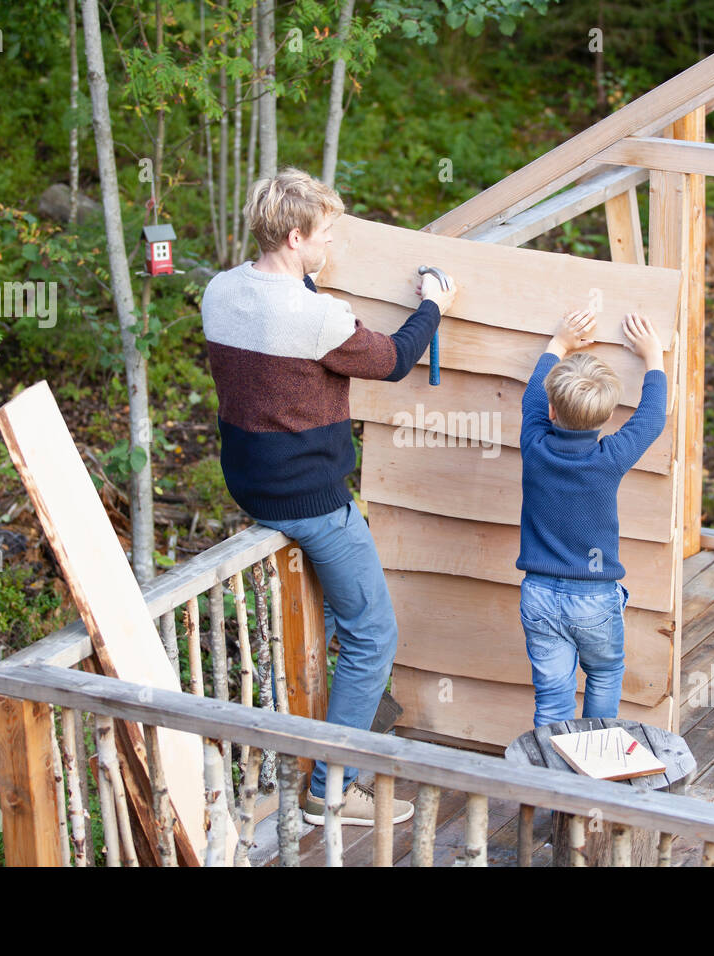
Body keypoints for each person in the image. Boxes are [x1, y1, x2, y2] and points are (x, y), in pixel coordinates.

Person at [201, 166, 457, 825]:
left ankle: (337, 738)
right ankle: (331, 790)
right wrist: (433, 304)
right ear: (294, 237)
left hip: (249, 483)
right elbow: (396, 359)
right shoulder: (316, 318)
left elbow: (287, 310)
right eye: (326, 234)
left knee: (348, 618)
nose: (332, 245)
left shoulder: (221, 291)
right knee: (375, 636)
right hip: (309, 499)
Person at [516, 308, 667, 727]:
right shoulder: (609, 457)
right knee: (603, 675)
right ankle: (597, 767)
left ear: (550, 410)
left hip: (540, 595)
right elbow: (652, 419)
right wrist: (653, 356)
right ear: (605, 419)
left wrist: (558, 344)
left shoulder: (534, 443)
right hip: (595, 598)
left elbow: (531, 398)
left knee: (552, 695)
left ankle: (552, 781)